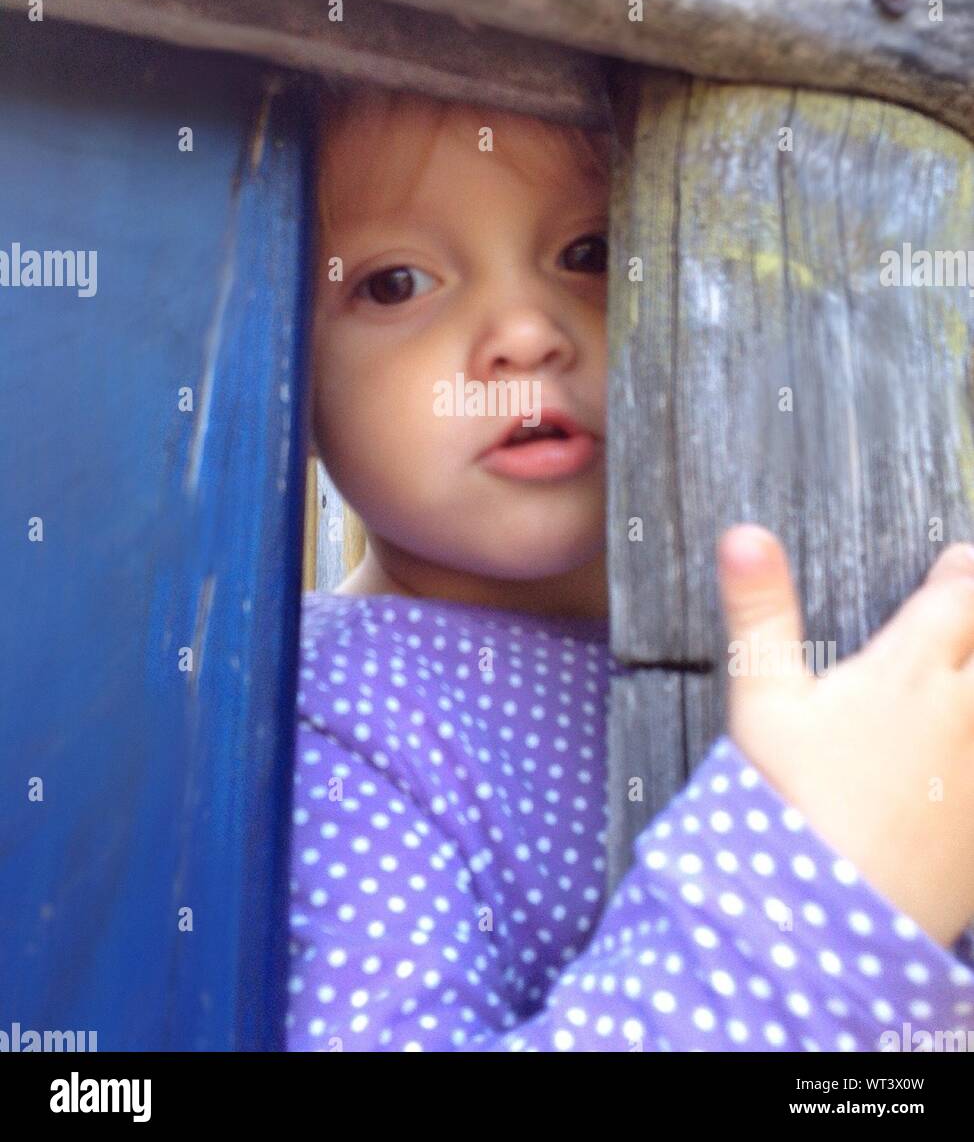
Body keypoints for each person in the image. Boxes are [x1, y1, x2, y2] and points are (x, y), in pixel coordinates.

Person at [286, 82, 974, 1051]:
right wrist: (812, 917)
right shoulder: (335, 712)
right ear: (281, 368)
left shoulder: (824, 597)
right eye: (394, 282)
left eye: (590, 254)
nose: (526, 331)